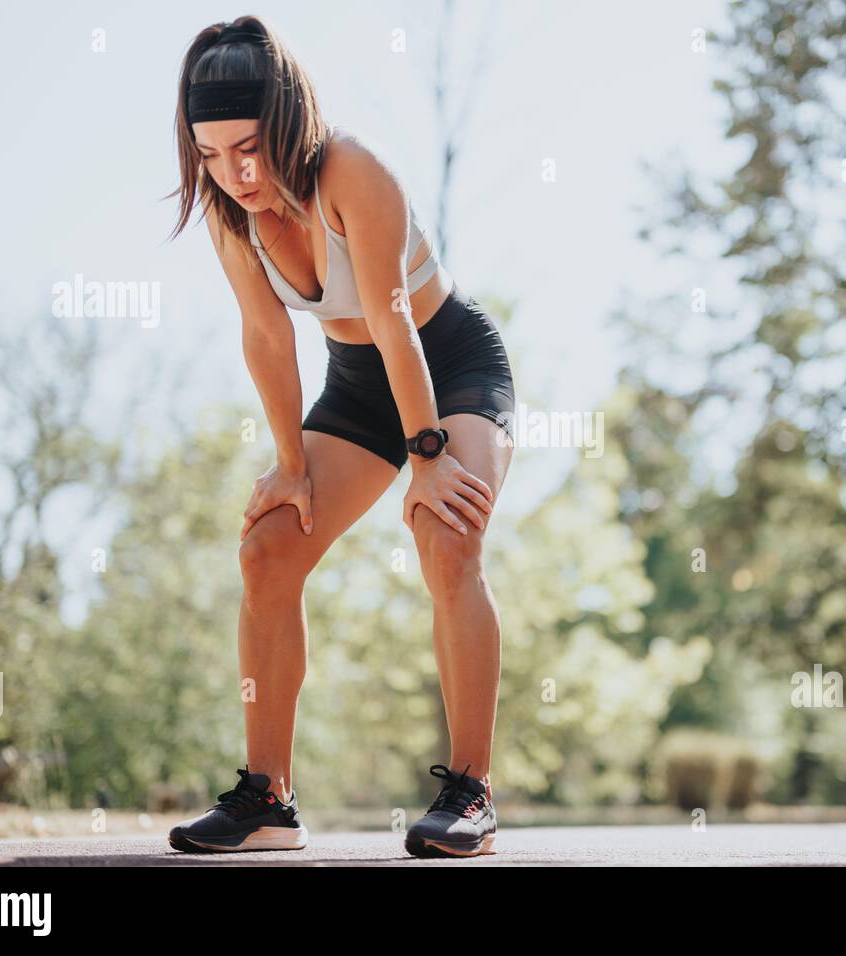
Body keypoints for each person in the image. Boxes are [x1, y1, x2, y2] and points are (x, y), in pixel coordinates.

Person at [162, 16, 514, 858]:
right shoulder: (230, 210)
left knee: (447, 535)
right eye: (210, 153)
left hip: (450, 362)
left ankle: (473, 793)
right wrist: (290, 464)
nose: (233, 172)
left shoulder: (351, 172)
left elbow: (396, 323)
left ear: (285, 118)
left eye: (247, 147)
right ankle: (268, 800)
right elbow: (267, 336)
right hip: (357, 387)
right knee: (268, 548)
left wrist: (426, 460)